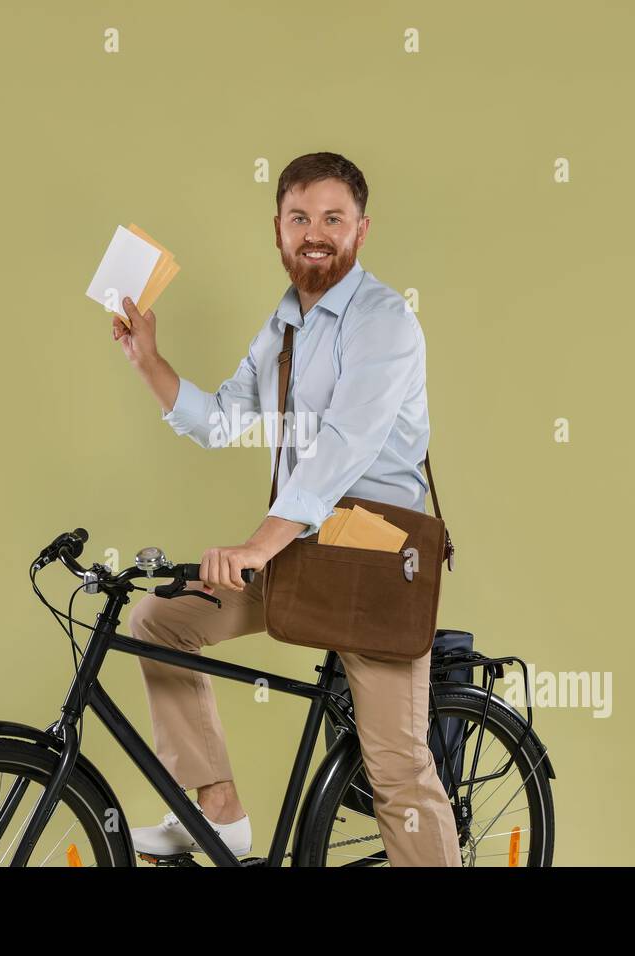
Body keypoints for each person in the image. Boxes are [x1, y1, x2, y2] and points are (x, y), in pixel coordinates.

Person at [111, 152, 462, 867]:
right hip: (301, 551)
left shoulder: (385, 322)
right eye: (300, 217)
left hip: (373, 563)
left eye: (333, 218)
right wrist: (149, 360)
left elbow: (340, 450)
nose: (315, 232)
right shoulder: (283, 328)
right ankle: (217, 813)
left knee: (397, 773)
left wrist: (254, 549)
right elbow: (217, 421)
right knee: (159, 620)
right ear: (278, 229)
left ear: (360, 231)